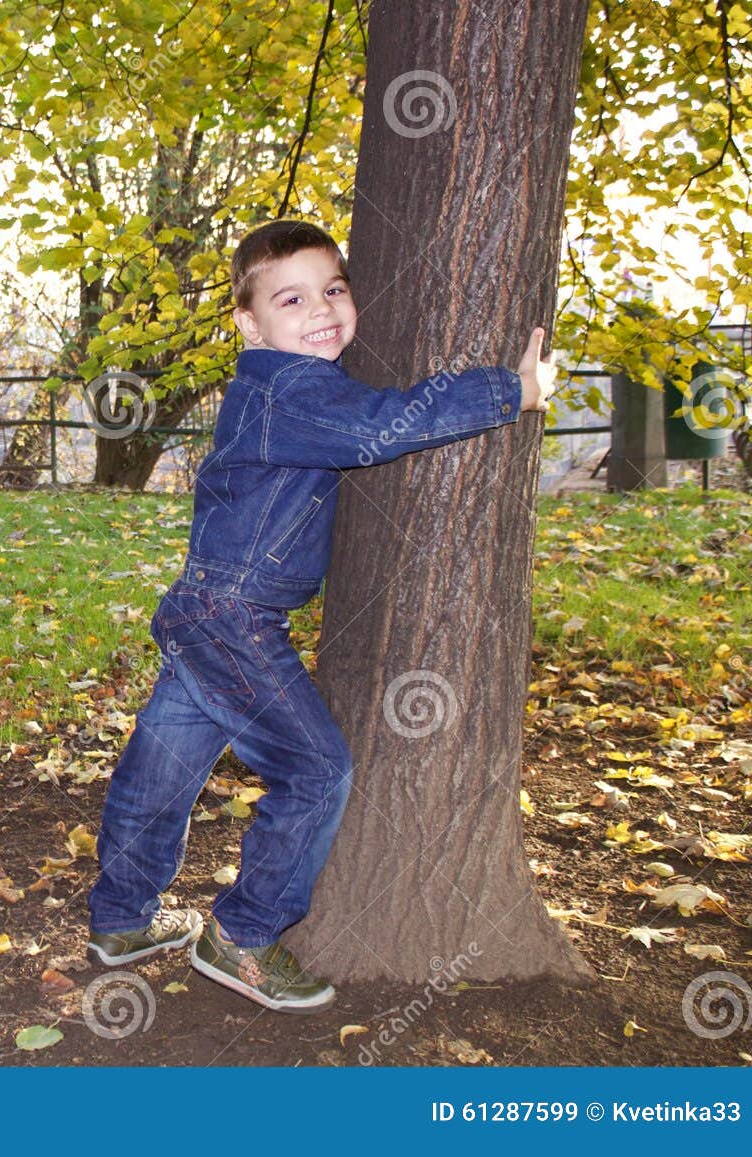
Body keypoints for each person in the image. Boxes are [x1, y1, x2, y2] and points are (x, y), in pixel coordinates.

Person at [85, 219, 557, 1013]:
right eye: (292, 299)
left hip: (203, 610)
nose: (322, 311)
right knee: (315, 770)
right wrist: (510, 391)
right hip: (235, 620)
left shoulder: (275, 388)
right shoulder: (288, 388)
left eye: (333, 289)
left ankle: (122, 917)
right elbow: (378, 428)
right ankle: (244, 932)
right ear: (248, 323)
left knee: (160, 769)